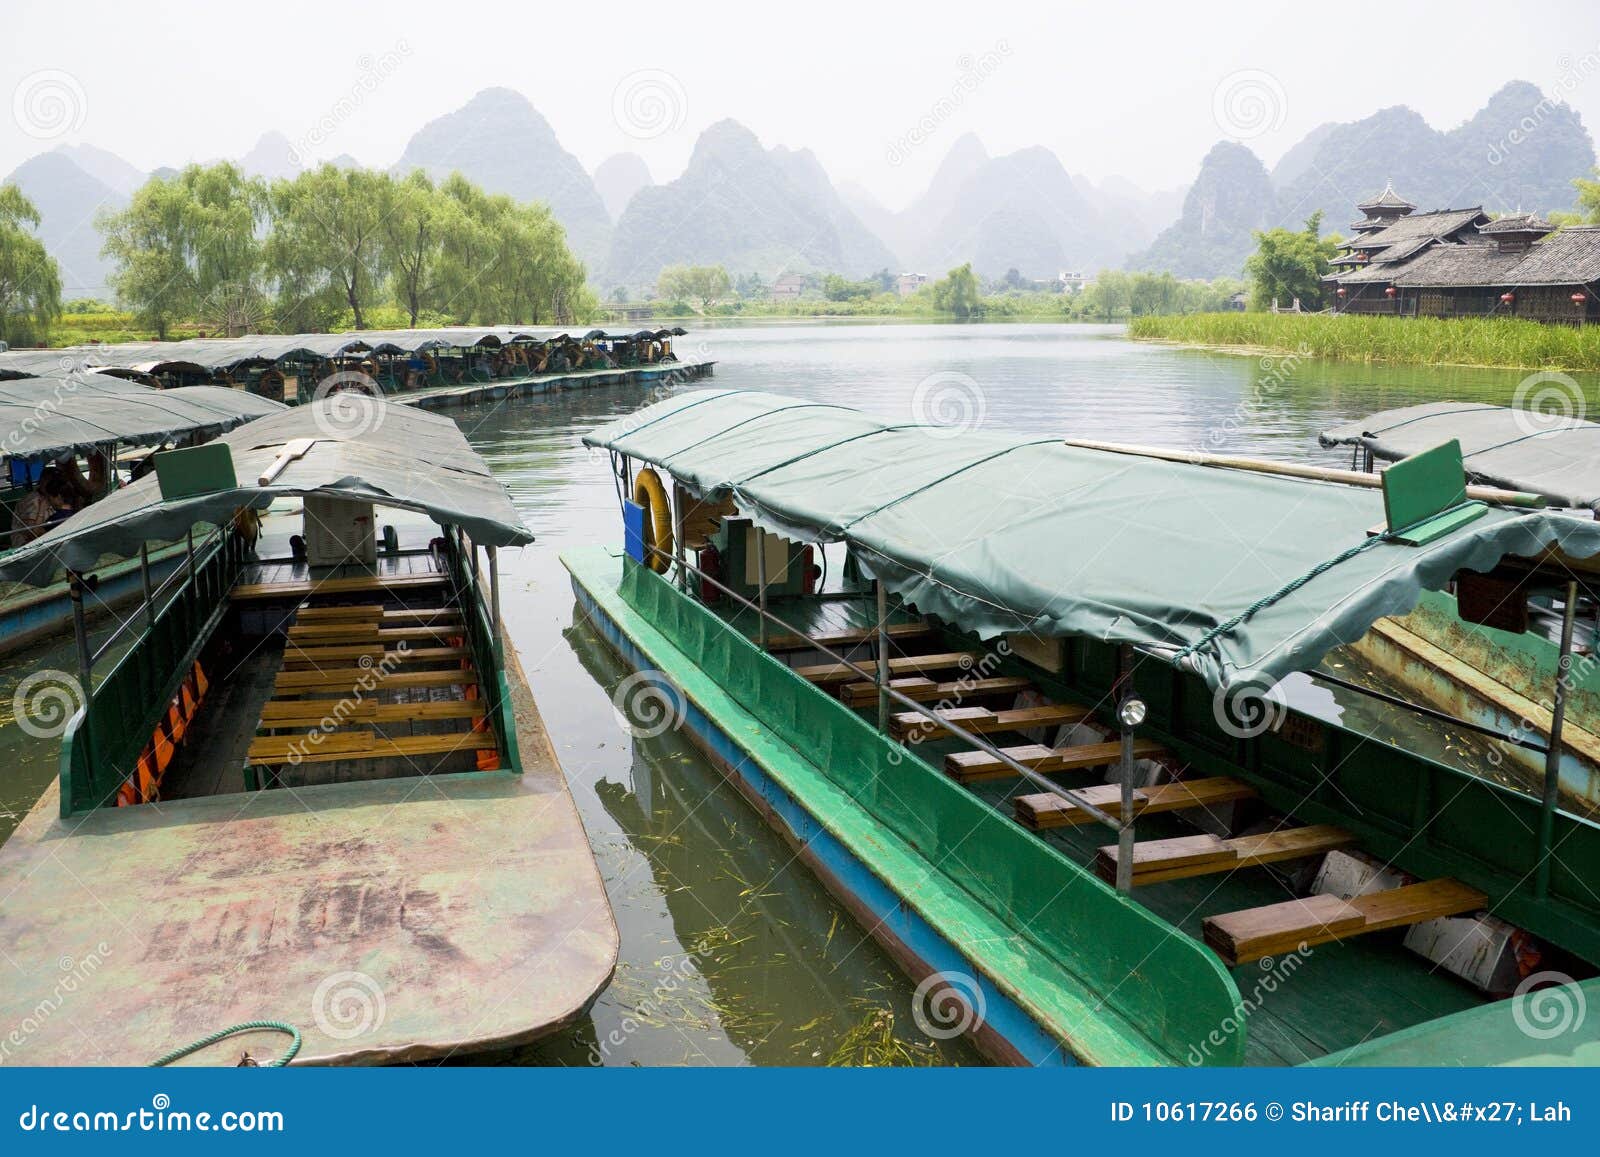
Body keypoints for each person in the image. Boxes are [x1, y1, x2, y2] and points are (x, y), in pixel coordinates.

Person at [11, 470, 70, 548]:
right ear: (44, 482)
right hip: (26, 546)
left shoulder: (53, 500)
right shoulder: (33, 501)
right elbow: (32, 534)